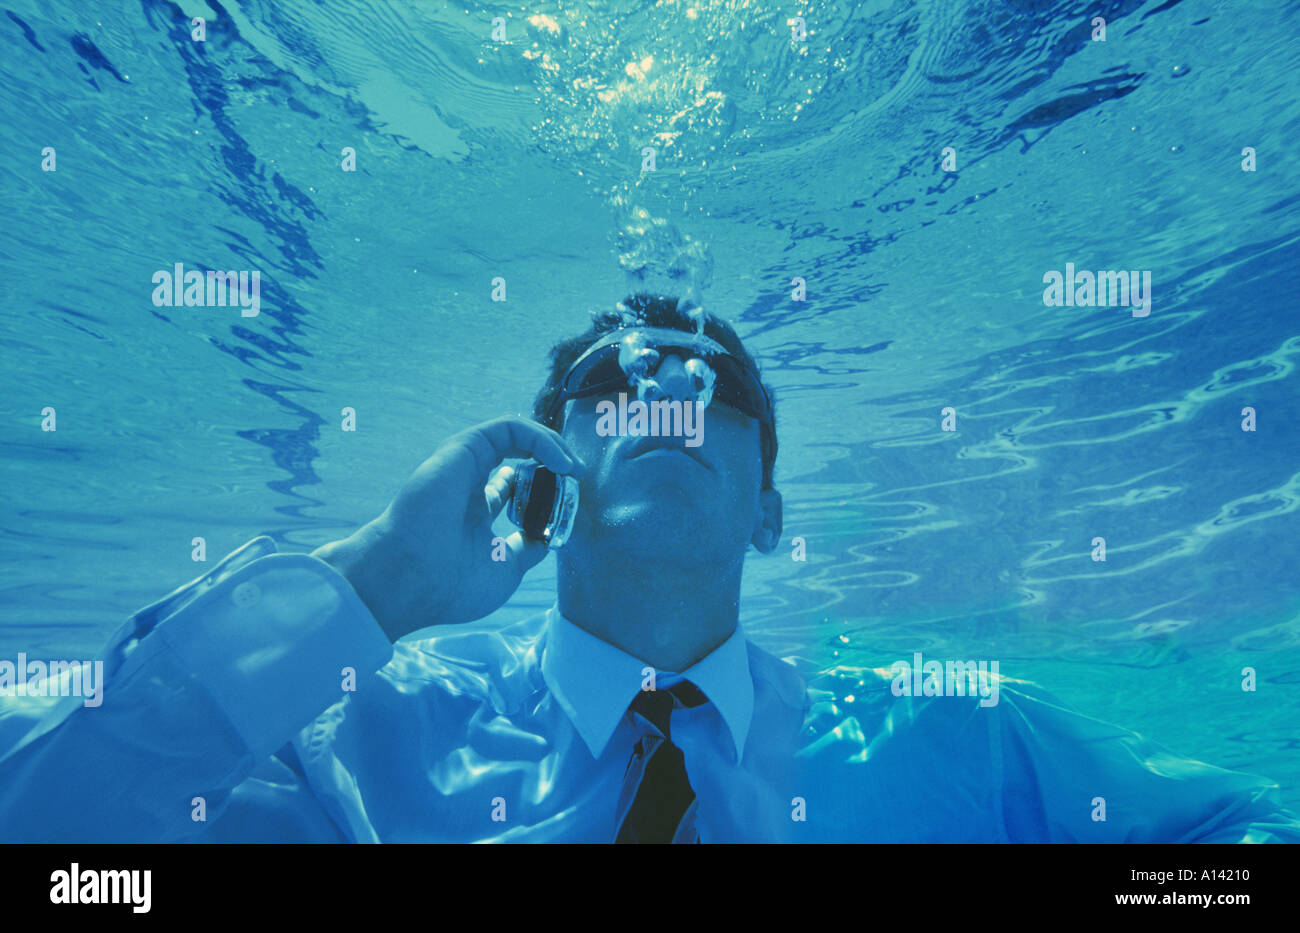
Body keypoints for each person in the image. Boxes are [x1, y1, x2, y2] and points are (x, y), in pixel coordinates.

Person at [1, 293, 1296, 843]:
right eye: (610, 380)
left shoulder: (953, 734)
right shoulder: (366, 738)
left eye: (715, 381)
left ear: (772, 506)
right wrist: (382, 577)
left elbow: (1236, 831)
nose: (665, 384)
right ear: (543, 475)